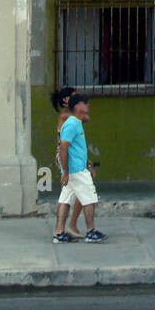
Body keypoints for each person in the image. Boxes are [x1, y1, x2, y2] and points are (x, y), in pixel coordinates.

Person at [54, 94, 107, 243]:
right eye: (85, 103)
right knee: (89, 198)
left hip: (75, 168)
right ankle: (90, 231)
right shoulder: (72, 124)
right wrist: (65, 171)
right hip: (76, 170)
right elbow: (64, 148)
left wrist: (86, 163)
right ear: (77, 106)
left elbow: (77, 148)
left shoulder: (76, 122)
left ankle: (59, 233)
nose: (88, 105)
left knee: (65, 199)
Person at [50, 85, 85, 239]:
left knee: (75, 192)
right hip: (68, 158)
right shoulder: (67, 116)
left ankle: (66, 227)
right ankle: (65, 227)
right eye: (74, 96)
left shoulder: (70, 115)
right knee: (77, 192)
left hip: (72, 157)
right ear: (66, 100)